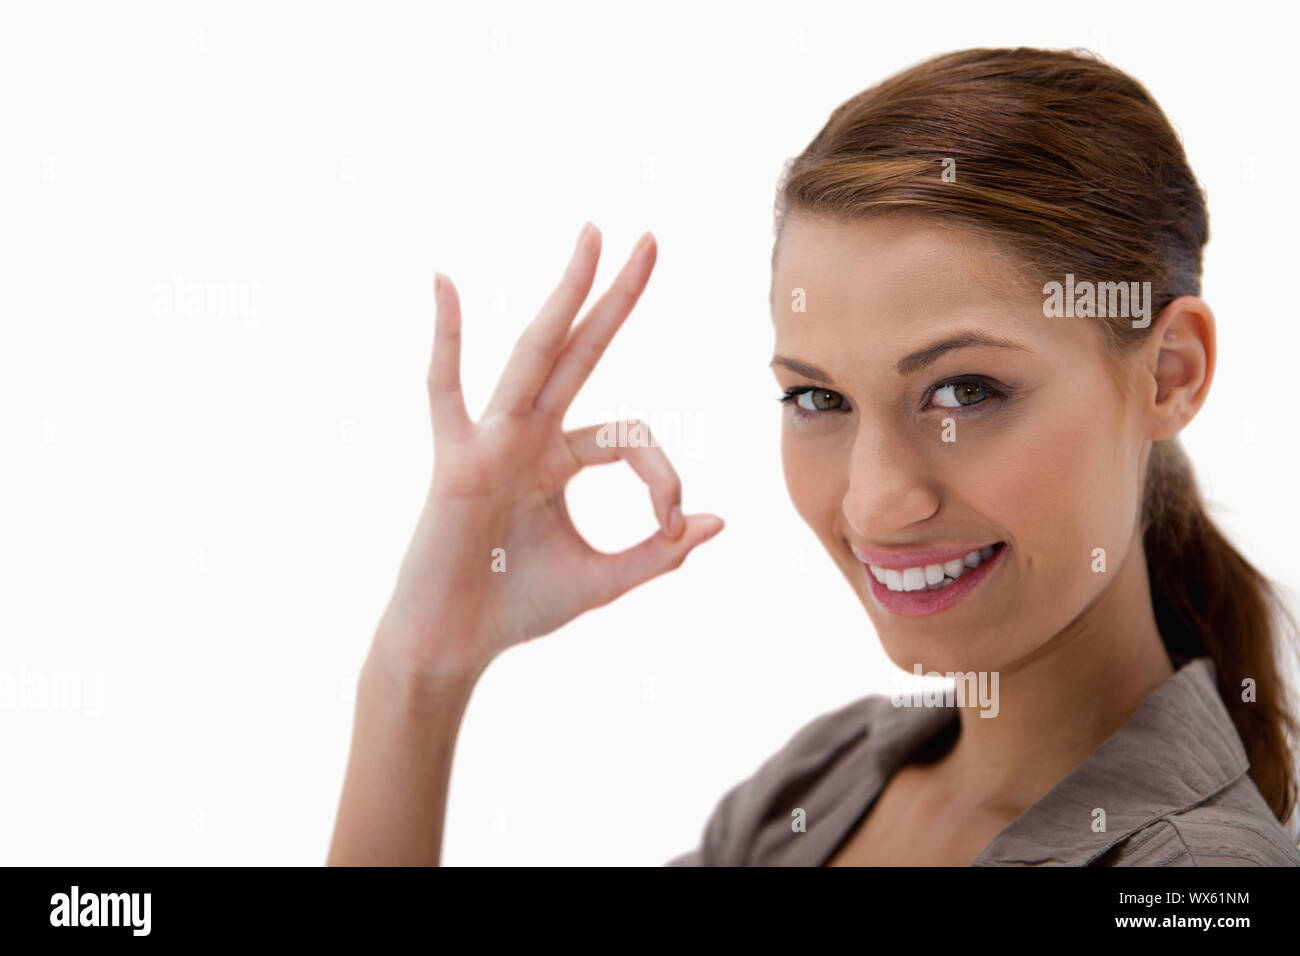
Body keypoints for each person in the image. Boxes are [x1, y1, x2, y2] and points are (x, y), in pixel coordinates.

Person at [327, 46, 1300, 866]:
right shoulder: (820, 784)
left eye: (963, 391)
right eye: (817, 398)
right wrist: (418, 668)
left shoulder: (1193, 876)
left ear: (1168, 371)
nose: (875, 504)